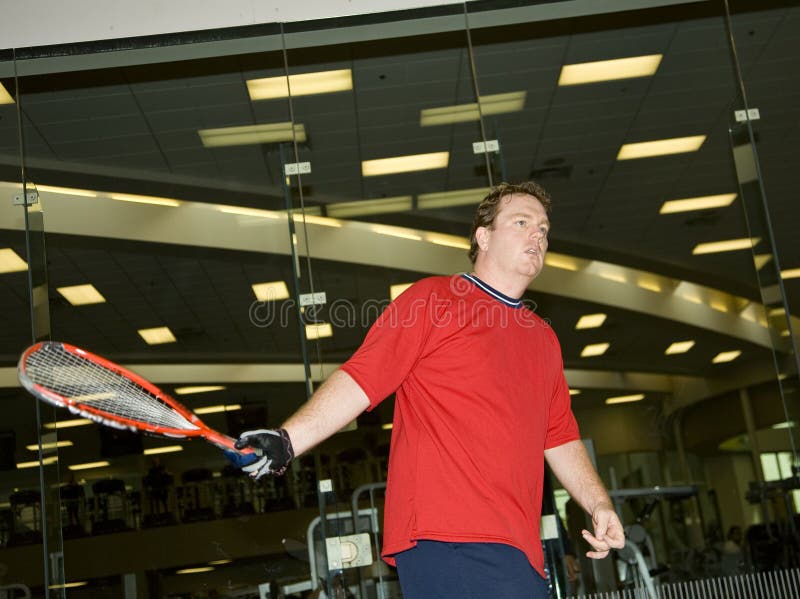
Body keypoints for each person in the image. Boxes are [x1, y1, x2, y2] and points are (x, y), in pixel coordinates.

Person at [235, 182, 626, 598]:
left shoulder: (543, 340)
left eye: (544, 229)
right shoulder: (432, 300)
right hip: (447, 538)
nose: (538, 235)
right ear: (484, 236)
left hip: (517, 547)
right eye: (522, 222)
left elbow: (560, 436)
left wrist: (599, 504)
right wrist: (287, 440)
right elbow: (362, 379)